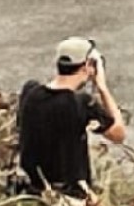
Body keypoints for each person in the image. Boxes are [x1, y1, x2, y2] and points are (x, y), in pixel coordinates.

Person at [16, 36, 127, 195]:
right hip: (70, 198)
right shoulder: (80, 103)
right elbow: (119, 134)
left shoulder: (30, 92)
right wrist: (102, 87)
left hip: (31, 191)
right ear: (88, 66)